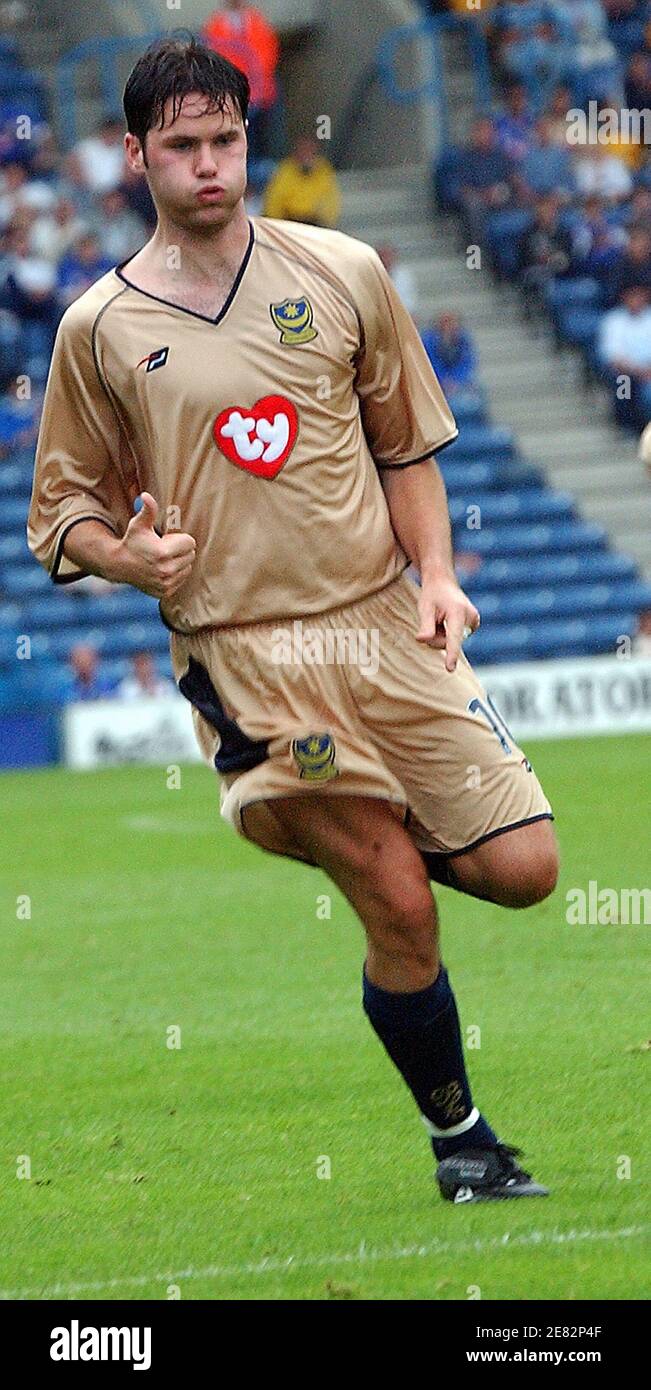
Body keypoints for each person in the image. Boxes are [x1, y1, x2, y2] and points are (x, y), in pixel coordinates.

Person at [28, 36, 558, 1206]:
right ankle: (463, 1142)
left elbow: (406, 442)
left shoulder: (344, 268)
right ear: (134, 155)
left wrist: (437, 574)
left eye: (226, 140)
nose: (212, 166)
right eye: (184, 147)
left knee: (526, 868)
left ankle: (323, 823)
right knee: (401, 901)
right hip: (247, 653)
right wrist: (133, 553)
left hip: (383, 624)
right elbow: (60, 517)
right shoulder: (98, 328)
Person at [262, 135, 341, 227]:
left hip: (315, 223)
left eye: (310, 151)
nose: (306, 155)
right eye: (303, 151)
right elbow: (274, 201)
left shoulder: (323, 170)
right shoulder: (286, 170)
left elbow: (330, 202)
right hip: (288, 222)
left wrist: (324, 221)